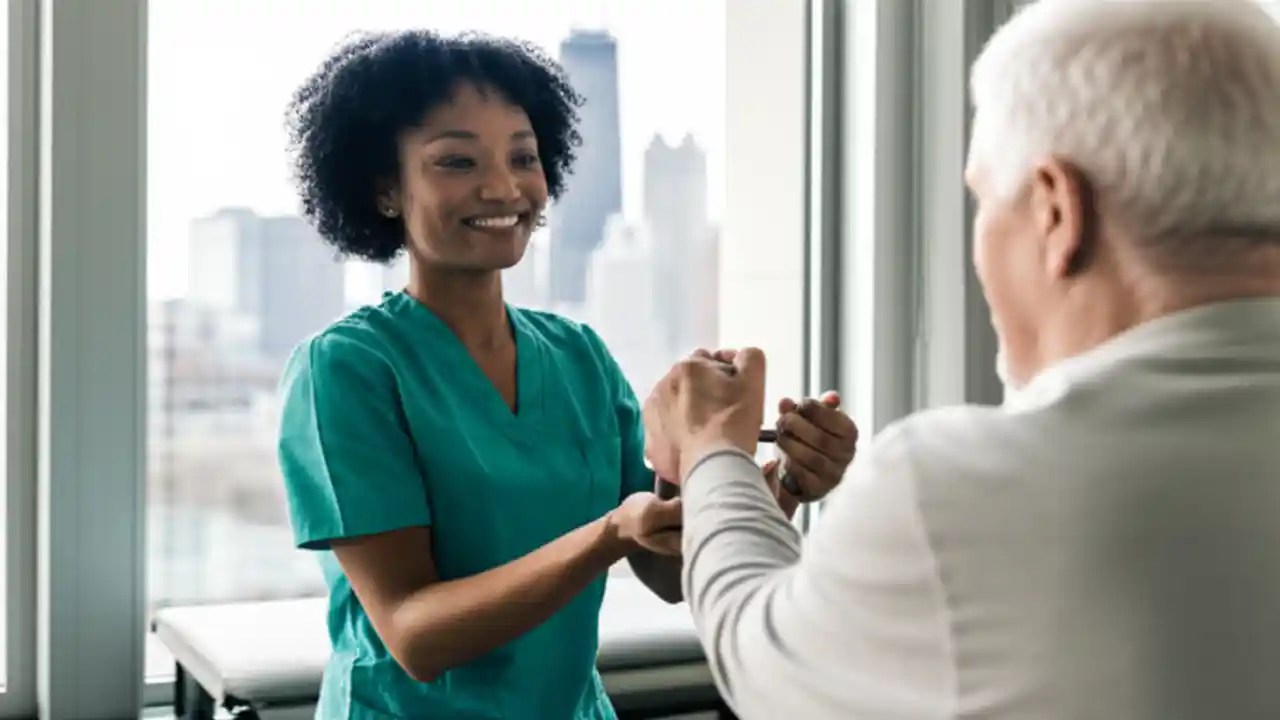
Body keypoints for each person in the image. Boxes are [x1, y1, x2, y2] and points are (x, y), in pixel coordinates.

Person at [641, 1, 1280, 718]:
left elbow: (758, 659)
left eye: (983, 201)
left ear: (1054, 210)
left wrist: (710, 452)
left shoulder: (962, 486)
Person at [274, 29, 857, 720]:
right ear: (385, 190)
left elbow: (670, 567)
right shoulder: (346, 369)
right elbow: (414, 635)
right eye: (456, 161)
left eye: (523, 156)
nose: (502, 186)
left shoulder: (578, 355)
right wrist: (608, 534)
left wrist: (786, 483)